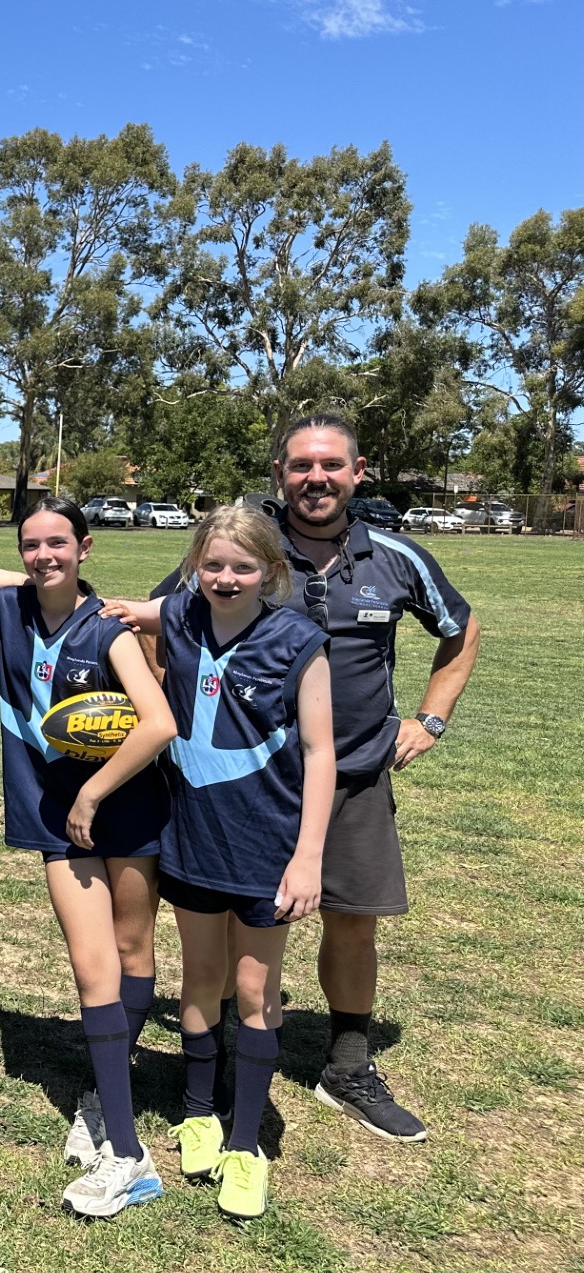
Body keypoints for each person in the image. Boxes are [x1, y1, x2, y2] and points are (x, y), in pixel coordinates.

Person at [153, 415, 479, 1142]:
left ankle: (348, 1063)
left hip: (353, 775)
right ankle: (218, 1075)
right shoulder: (247, 545)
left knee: (352, 920)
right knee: (229, 948)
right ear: (280, 473)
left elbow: (460, 629)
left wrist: (430, 719)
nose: (316, 478)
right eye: (301, 465)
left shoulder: (395, 556)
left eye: (331, 465)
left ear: (357, 474)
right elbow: (162, 616)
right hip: (246, 789)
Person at [117, 507, 333, 1221]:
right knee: (201, 978)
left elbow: (319, 754)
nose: (226, 578)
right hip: (193, 840)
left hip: (266, 848)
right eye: (213, 565)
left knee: (254, 988)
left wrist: (308, 858)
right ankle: (199, 1110)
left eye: (242, 567)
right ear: (194, 568)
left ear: (271, 572)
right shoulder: (179, 613)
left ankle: (247, 1145)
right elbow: (118, 609)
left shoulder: (299, 640)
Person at [0, 498, 177, 1217]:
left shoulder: (108, 629)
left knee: (131, 950)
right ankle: (127, 1148)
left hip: (121, 805)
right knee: (94, 969)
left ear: (85, 547)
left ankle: (107, 1103)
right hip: (58, 818)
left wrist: (91, 793)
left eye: (59, 543)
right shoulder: (7, 606)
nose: (44, 555)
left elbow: (159, 724)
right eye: (31, 544)